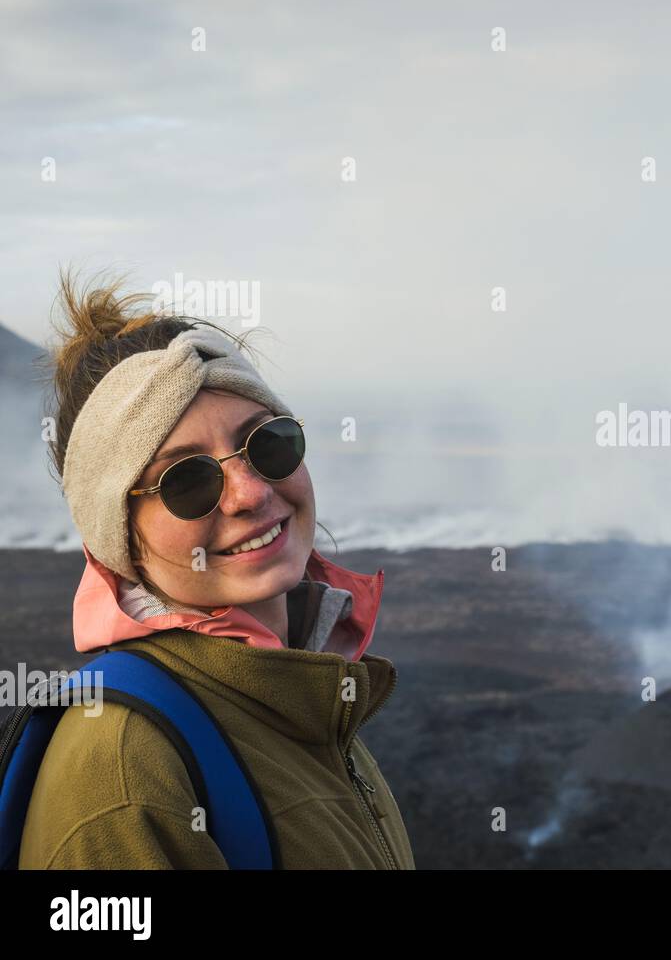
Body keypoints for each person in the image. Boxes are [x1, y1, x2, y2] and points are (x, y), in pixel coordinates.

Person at [18, 270, 416, 869]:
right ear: (116, 533)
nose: (250, 493)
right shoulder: (127, 776)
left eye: (267, 442)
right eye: (187, 480)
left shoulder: (305, 691)